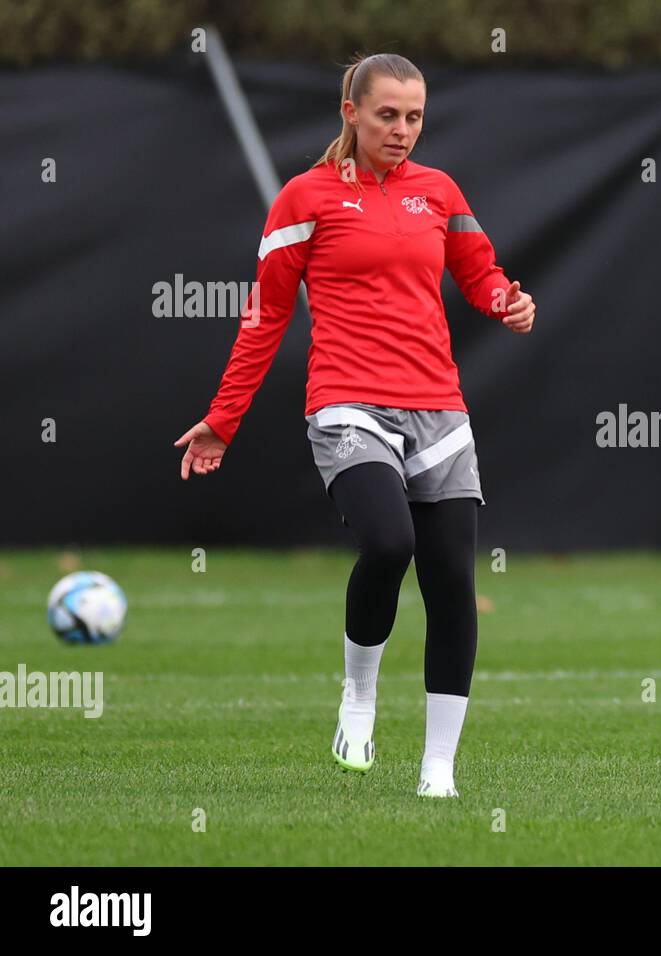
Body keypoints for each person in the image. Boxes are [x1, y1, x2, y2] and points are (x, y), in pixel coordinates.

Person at [173, 52, 535, 798]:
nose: (402, 131)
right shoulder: (303, 198)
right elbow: (266, 316)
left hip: (439, 409)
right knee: (389, 540)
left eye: (414, 117)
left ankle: (438, 771)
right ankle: (358, 696)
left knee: (452, 583)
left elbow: (479, 272)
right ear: (350, 113)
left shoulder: (438, 193)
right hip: (347, 405)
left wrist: (505, 301)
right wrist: (222, 420)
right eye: (386, 115)